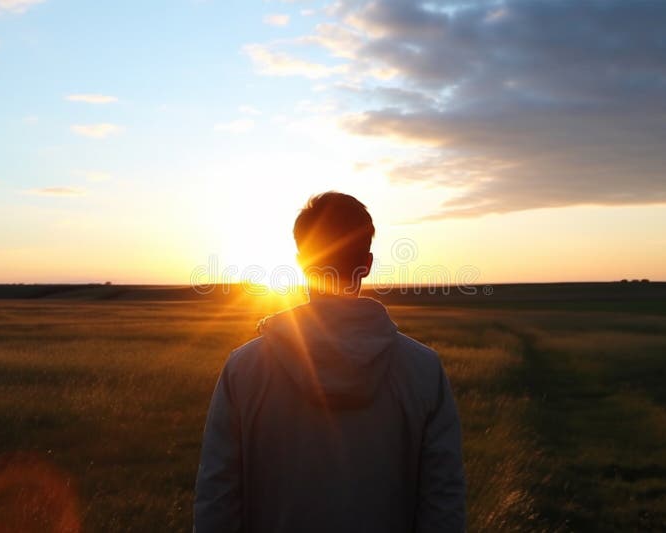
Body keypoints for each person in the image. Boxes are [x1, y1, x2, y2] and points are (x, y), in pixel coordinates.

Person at [194, 192, 466, 533]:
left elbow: (217, 501)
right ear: (366, 264)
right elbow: (443, 503)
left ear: (302, 262)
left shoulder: (244, 369)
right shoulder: (424, 370)